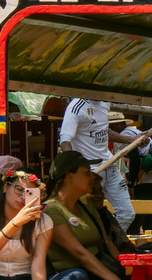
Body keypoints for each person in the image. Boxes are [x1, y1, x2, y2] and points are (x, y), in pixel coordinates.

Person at [44, 151, 131, 280]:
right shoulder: (51, 210)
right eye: (86, 172)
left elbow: (106, 241)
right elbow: (80, 254)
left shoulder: (85, 204)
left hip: (100, 275)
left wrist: (123, 271)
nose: (92, 177)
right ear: (69, 177)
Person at [57, 99, 136, 232]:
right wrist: (75, 169)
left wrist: (131, 140)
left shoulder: (105, 103)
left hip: (109, 165)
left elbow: (104, 130)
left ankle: (110, 242)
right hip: (90, 170)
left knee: (127, 214)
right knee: (88, 215)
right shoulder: (76, 108)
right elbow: (65, 141)